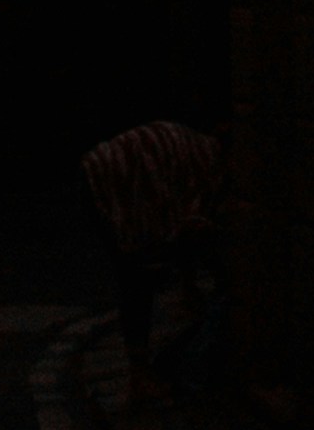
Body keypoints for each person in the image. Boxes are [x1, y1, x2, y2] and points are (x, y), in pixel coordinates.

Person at [82, 118, 225, 394]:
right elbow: (186, 222)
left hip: (103, 174)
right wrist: (190, 283)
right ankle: (140, 374)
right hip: (117, 182)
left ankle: (141, 372)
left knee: (137, 273)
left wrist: (188, 281)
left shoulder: (192, 145)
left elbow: (182, 222)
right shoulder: (208, 164)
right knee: (137, 277)